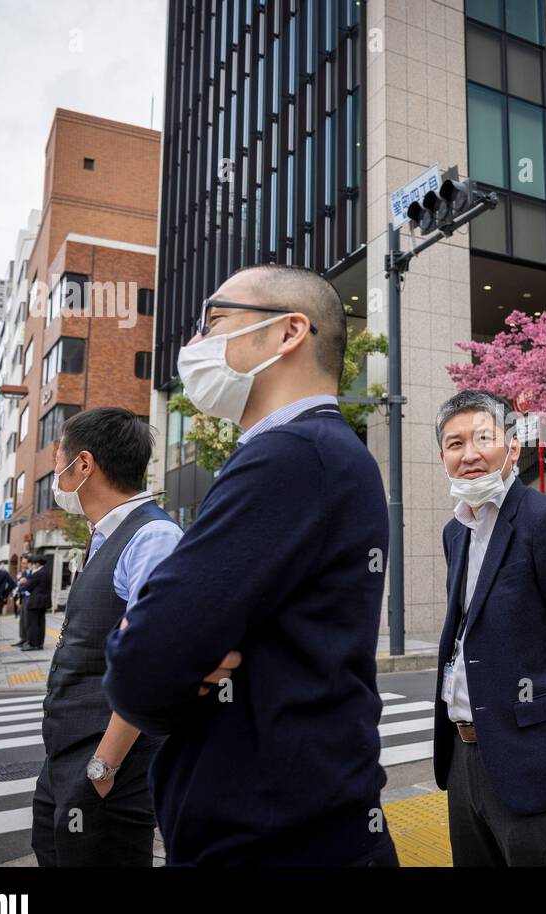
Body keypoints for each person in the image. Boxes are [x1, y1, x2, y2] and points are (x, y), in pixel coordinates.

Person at [104, 263, 397, 867]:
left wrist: (140, 639)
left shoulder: (290, 457)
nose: (194, 346)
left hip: (271, 838)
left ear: (290, 332)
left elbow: (147, 663)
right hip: (307, 820)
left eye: (214, 322)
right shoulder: (328, 452)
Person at [433, 389, 546, 866]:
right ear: (442, 457)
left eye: (482, 438)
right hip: (463, 756)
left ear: (512, 448)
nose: (469, 455)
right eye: (455, 444)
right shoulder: (455, 532)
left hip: (535, 758)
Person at [30, 407, 183, 868]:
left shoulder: (153, 536)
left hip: (111, 760)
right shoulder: (103, 535)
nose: (56, 476)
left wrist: (103, 767)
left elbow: (156, 660)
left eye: (59, 462)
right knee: (54, 851)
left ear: (83, 465)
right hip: (67, 752)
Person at [15, 552, 51, 651]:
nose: (32, 564)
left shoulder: (38, 573)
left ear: (37, 563)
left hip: (35, 602)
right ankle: (39, 644)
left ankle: (33, 644)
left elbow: (28, 587)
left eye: (34, 563)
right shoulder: (47, 571)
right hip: (43, 602)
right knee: (40, 624)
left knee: (33, 624)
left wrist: (21, 584)